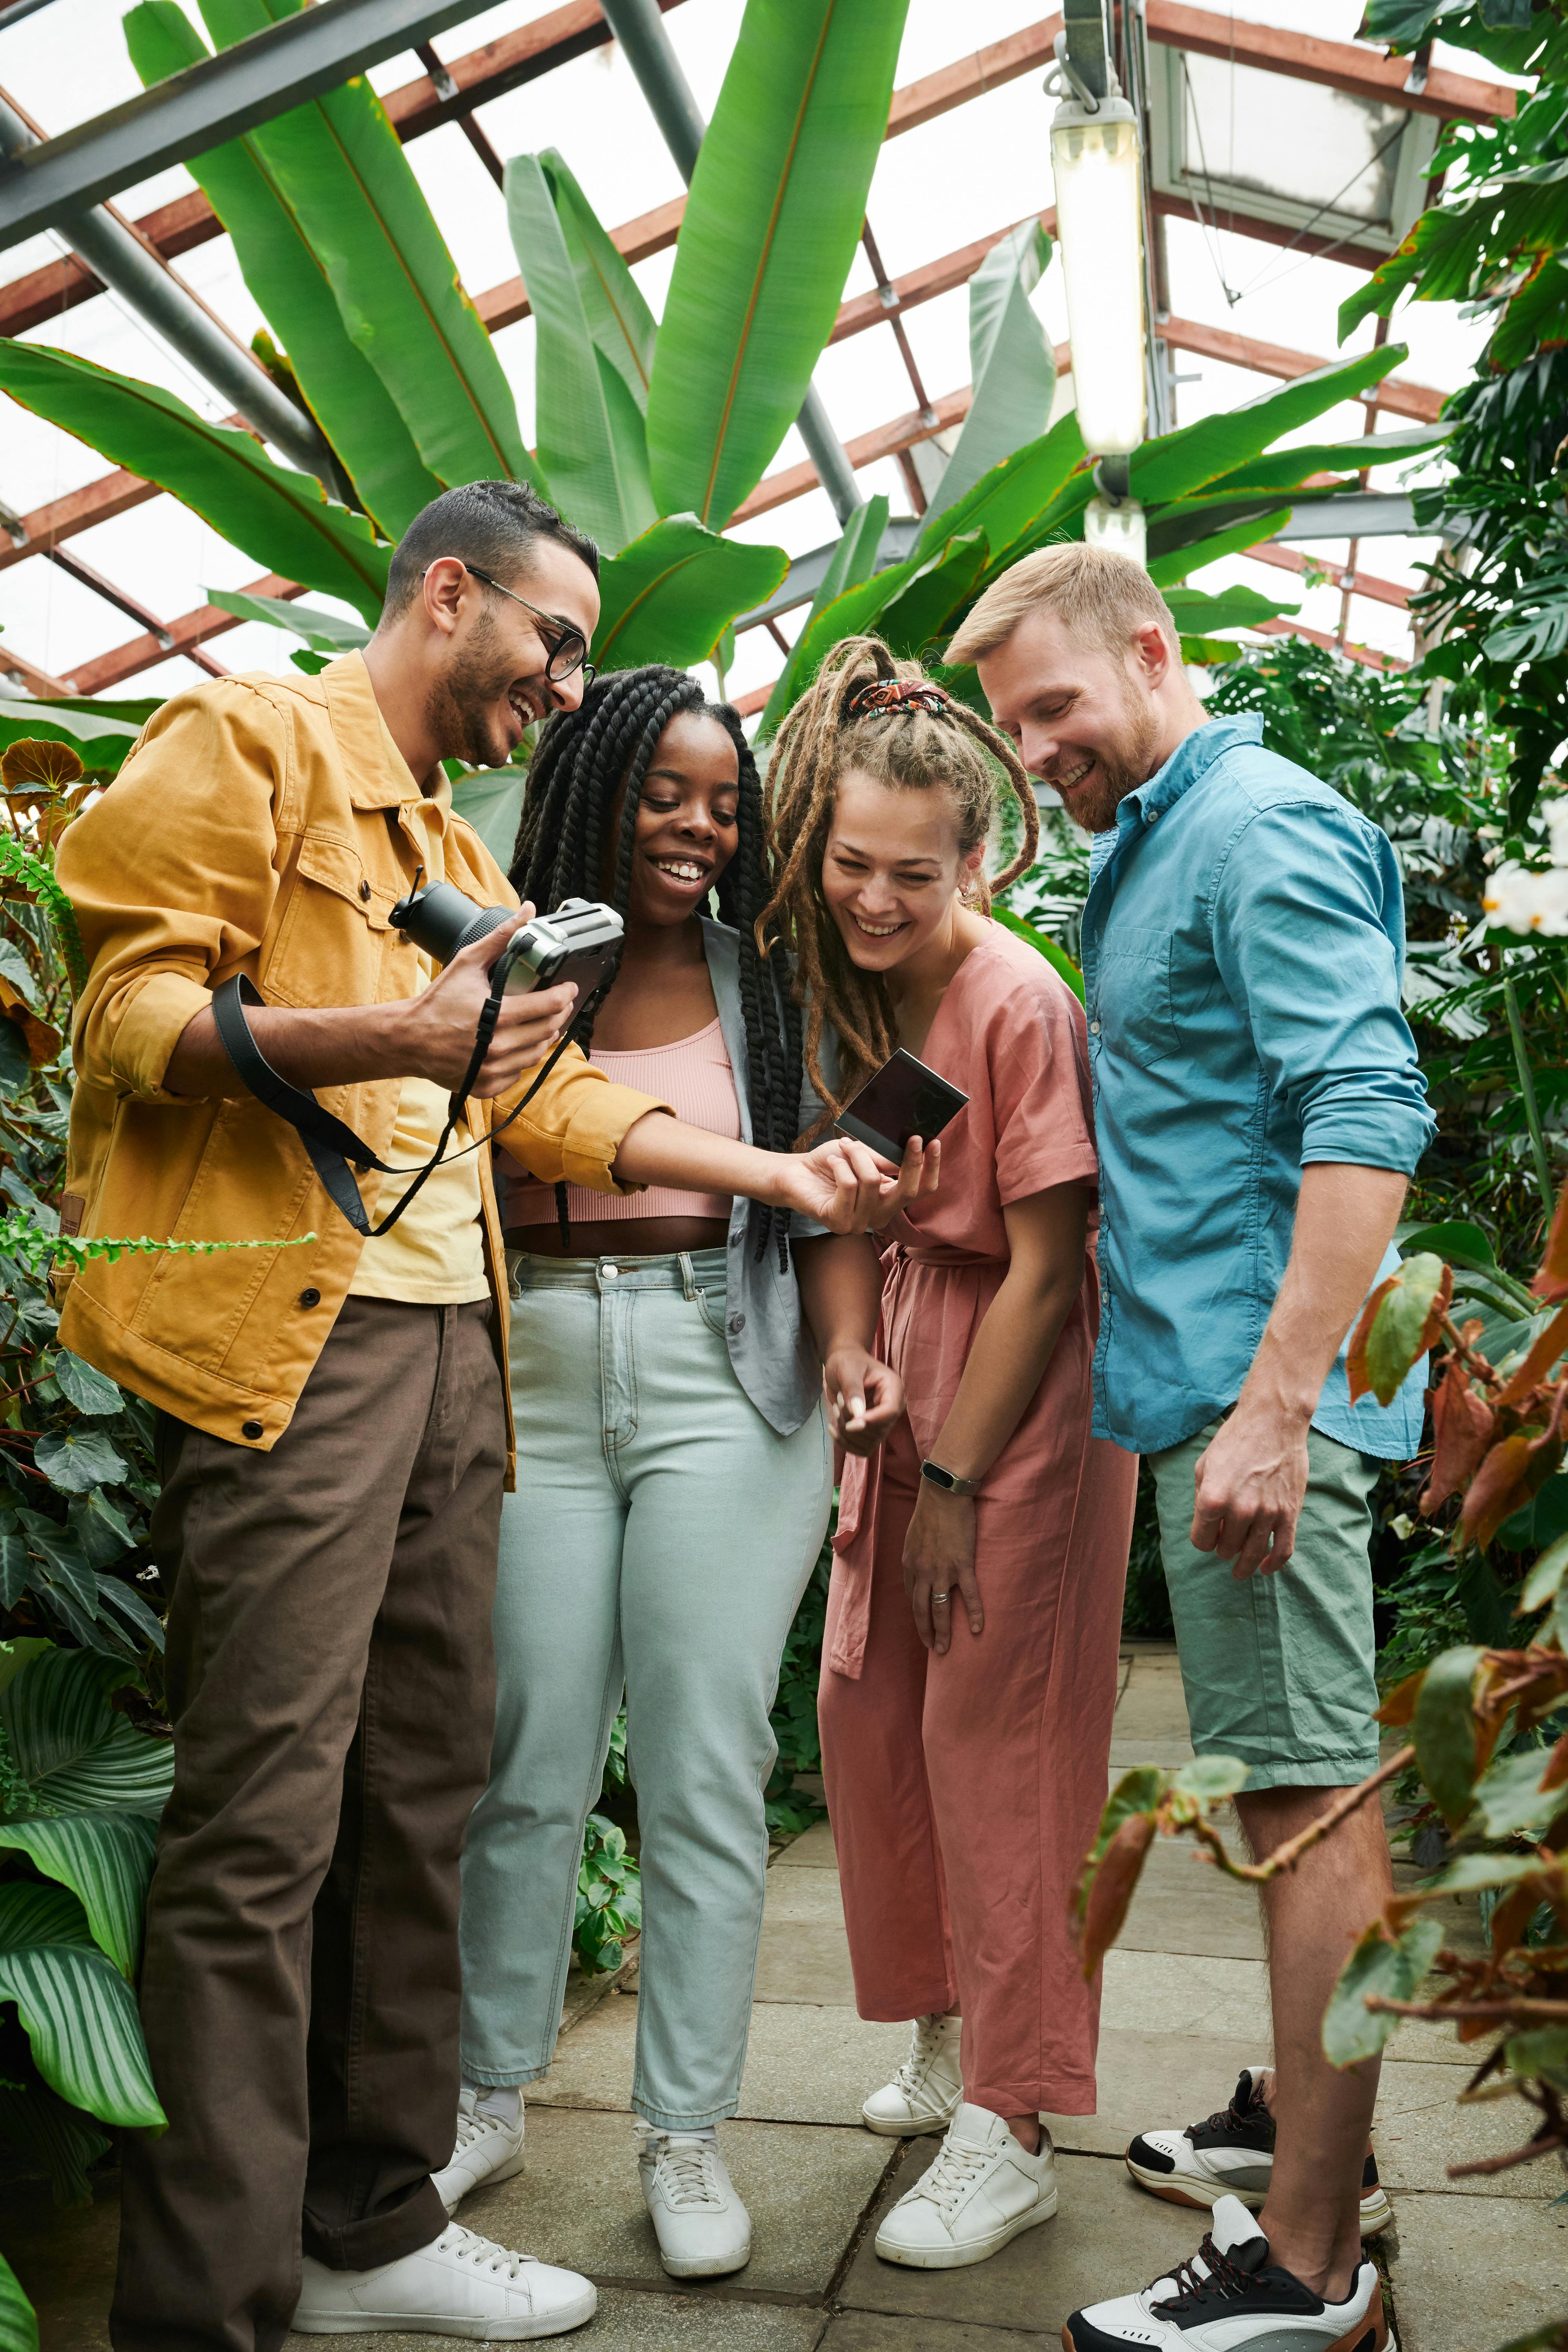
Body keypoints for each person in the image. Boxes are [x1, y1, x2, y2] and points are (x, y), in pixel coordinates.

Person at [54, 482, 926, 2352]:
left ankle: (371, 2226)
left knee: (420, 1798)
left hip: (461, 1341)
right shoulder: (247, 738)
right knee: (262, 1826)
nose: (564, 680)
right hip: (296, 1349)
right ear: (449, 594)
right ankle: (208, 2301)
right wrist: (397, 1038)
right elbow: (126, 1017)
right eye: (550, 638)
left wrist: (775, 1179)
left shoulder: (464, 840)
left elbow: (534, 1110)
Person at [954, 542, 1432, 2352]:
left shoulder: (1254, 830)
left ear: (1153, 652)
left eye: (1056, 708)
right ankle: (1309, 2141)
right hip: (1210, 1397)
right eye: (1016, 728)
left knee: (1307, 1803)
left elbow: (1367, 1106)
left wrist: (1276, 1405)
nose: (1039, 750)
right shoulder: (1154, 836)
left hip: (1260, 1413)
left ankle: (1309, 2270)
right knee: (1273, 1790)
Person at [441, 664, 915, 2279]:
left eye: (724, 803)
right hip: (535, 1366)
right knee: (526, 1750)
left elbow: (821, 1196)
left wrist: (853, 1351)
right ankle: (481, 2099)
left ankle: (685, 2134)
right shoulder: (504, 963)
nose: (699, 829)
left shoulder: (771, 978)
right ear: (589, 788)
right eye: (665, 794)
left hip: (727, 1363)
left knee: (708, 1759)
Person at [757, 637, 1138, 2272]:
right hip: (902, 1371)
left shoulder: (1016, 1002)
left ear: (975, 859)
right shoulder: (842, 982)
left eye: (912, 874)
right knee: (871, 1721)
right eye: (849, 865)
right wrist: (846, 1352)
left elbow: (1048, 1267)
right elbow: (838, 1202)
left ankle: (1019, 2114)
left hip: (1017, 1400)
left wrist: (958, 1486)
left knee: (1005, 1746)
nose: (874, 898)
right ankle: (943, 2034)